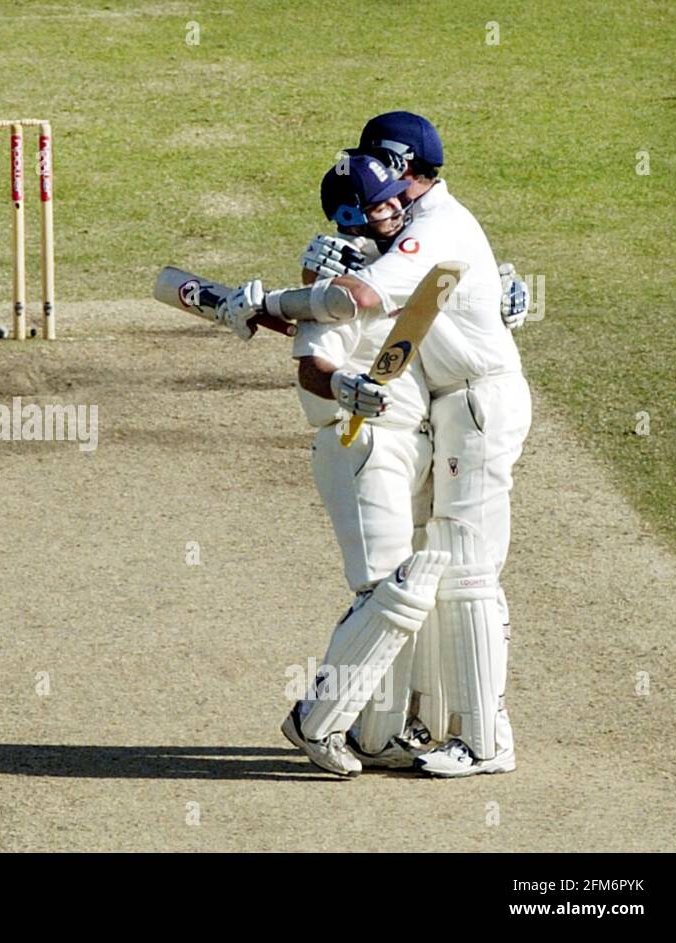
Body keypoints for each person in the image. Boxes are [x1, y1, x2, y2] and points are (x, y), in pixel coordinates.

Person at [221, 113, 530, 778]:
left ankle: (476, 741)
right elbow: (325, 338)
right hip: (390, 433)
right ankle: (362, 728)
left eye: (390, 185)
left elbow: (362, 297)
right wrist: (294, 306)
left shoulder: (420, 236)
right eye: (374, 198)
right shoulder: (376, 249)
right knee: (409, 586)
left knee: (456, 575)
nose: (388, 201)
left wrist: (268, 299)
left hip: (469, 405)